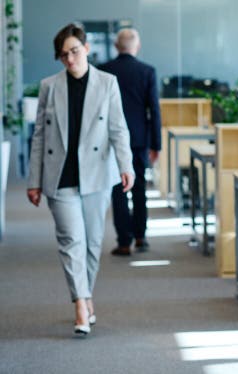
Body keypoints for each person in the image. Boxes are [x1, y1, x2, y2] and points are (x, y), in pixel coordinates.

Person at [27, 23, 134, 336]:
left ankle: (86, 298)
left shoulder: (107, 83)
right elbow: (39, 136)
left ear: (86, 49)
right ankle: (81, 304)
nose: (70, 59)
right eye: (63, 55)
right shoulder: (50, 86)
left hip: (97, 174)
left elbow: (118, 128)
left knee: (93, 243)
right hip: (59, 176)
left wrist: (126, 165)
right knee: (71, 240)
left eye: (74, 51)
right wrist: (34, 179)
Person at [99, 28, 162, 255]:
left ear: (117, 46)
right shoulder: (147, 71)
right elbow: (154, 110)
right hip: (138, 140)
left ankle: (124, 241)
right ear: (137, 46)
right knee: (139, 189)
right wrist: (156, 145)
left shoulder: (104, 71)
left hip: (111, 140)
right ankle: (141, 237)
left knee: (118, 189)